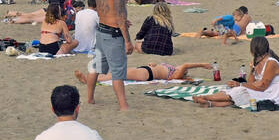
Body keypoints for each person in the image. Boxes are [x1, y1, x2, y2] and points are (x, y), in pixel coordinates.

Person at [193, 36, 279, 109]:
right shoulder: (258, 61)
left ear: (252, 50)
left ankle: (206, 97)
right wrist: (252, 69)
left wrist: (240, 84)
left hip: (273, 95)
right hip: (263, 91)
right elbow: (251, 83)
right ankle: (210, 103)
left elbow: (262, 86)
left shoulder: (271, 62)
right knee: (237, 92)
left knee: (240, 91)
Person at [76, 60, 215, 85]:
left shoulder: (176, 75)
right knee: (116, 73)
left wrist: (202, 65)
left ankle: (89, 80)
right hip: (146, 70)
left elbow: (186, 65)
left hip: (146, 74)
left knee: (116, 74)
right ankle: (93, 78)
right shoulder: (176, 70)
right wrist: (154, 64)